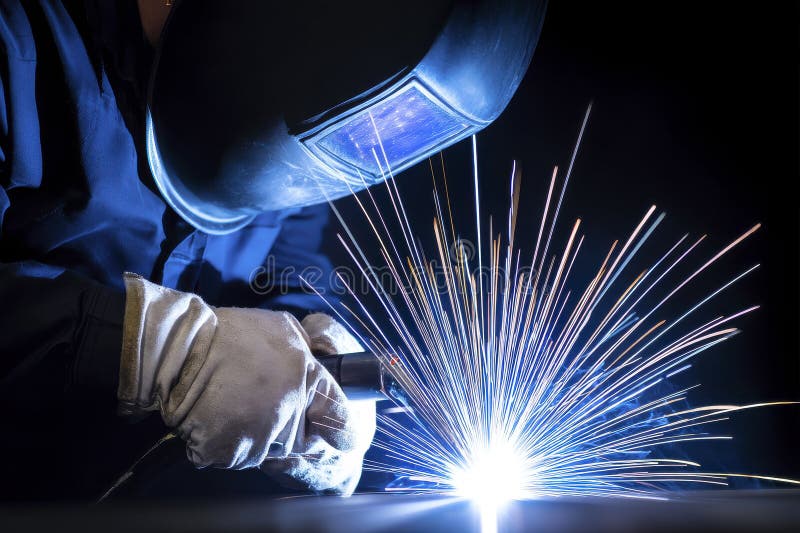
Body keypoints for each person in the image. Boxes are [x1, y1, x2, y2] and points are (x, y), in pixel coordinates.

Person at [0, 0, 543, 500]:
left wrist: (313, 351)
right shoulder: (16, 37)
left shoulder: (293, 118)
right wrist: (152, 348)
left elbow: (291, 268)